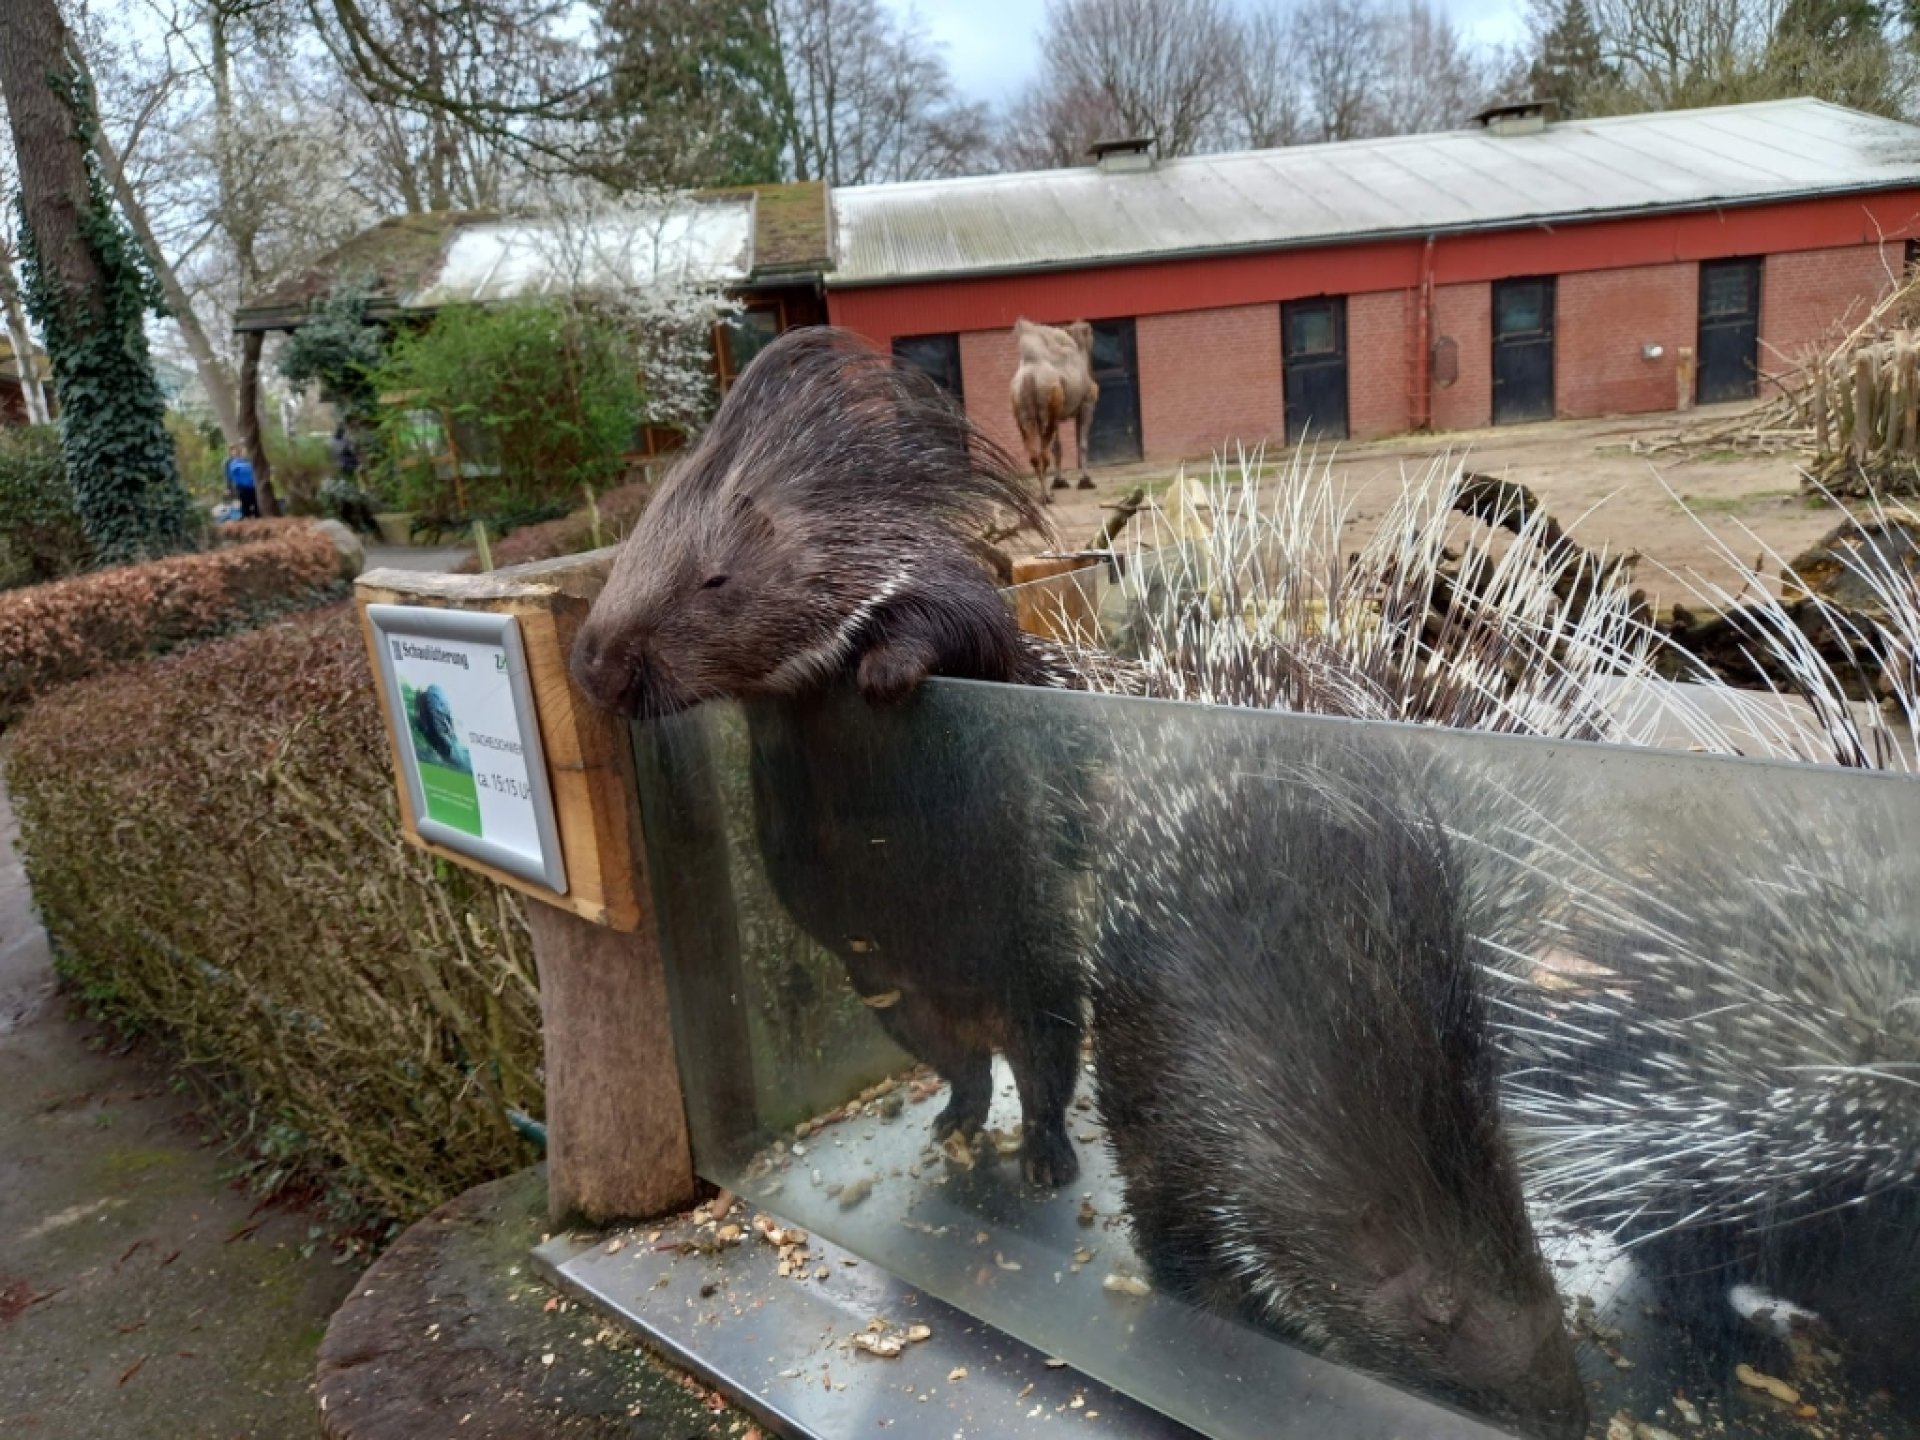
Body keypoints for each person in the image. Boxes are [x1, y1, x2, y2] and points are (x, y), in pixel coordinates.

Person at [224, 444, 259, 519]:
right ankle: (247, 518)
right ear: (230, 452)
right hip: (241, 486)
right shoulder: (229, 462)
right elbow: (228, 475)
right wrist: (228, 487)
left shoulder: (245, 460)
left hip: (251, 485)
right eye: (233, 450)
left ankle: (257, 518)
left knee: (255, 502)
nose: (235, 452)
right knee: (245, 504)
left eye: (236, 450)